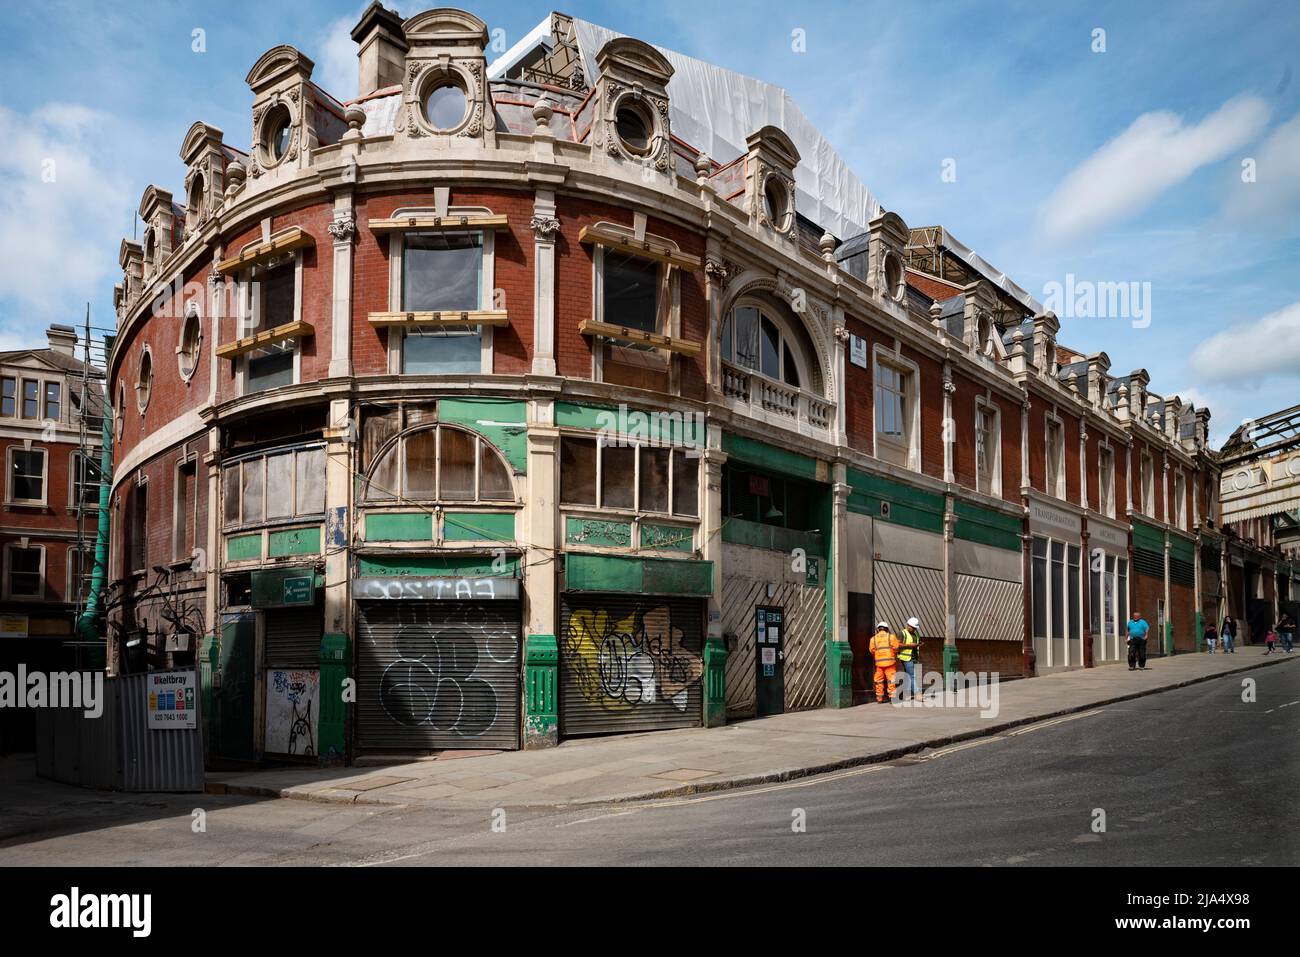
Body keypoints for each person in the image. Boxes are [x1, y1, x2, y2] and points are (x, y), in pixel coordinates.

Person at [868, 621, 901, 703]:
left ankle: (879, 698)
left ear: (878, 629)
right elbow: (896, 648)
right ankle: (892, 698)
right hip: (890, 663)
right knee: (891, 680)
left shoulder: (873, 639)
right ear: (886, 629)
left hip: (879, 664)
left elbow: (872, 650)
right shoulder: (891, 637)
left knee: (879, 681)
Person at [898, 617, 923, 700]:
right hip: (906, 658)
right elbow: (898, 645)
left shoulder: (916, 634)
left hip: (914, 657)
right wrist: (910, 645)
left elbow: (915, 644)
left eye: (915, 628)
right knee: (912, 675)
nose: (915, 629)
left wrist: (919, 644)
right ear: (908, 625)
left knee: (908, 676)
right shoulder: (902, 633)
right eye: (913, 628)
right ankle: (918, 694)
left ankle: (904, 693)